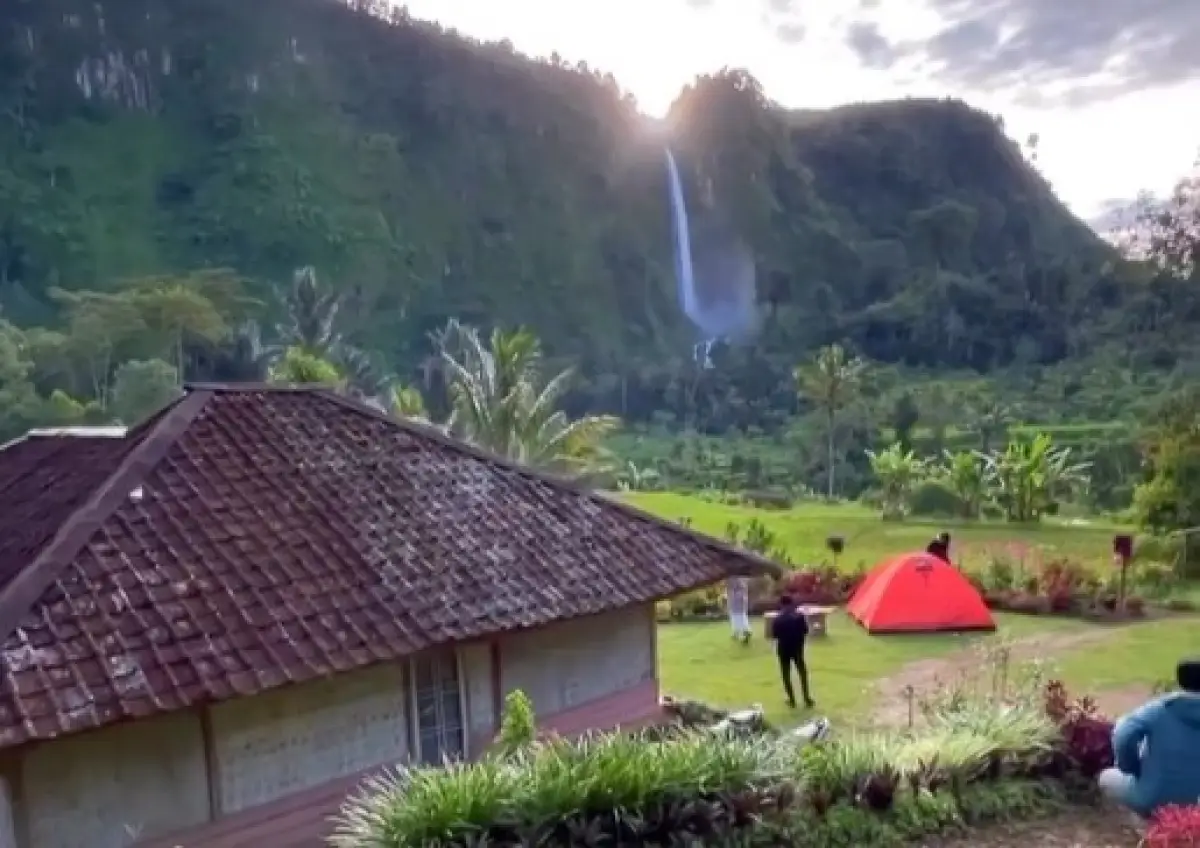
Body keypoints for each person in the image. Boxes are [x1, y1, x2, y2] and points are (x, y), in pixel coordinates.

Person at [1097, 659, 1200, 818]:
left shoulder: (1160, 709)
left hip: (1153, 798)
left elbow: (1123, 733)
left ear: (1180, 680)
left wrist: (1130, 767)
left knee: (1105, 778)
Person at [771, 595, 815, 709]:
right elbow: (805, 631)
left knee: (786, 674)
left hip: (783, 649)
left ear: (781, 604)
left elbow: (775, 635)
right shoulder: (799, 616)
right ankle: (806, 697)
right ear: (792, 603)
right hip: (797, 648)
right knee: (802, 672)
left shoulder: (777, 619)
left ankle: (792, 700)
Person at [727, 576, 752, 644]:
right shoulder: (737, 578)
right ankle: (739, 632)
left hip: (737, 602)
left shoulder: (736, 578)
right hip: (738, 602)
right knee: (739, 617)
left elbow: (735, 586)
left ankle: (744, 633)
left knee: (738, 618)